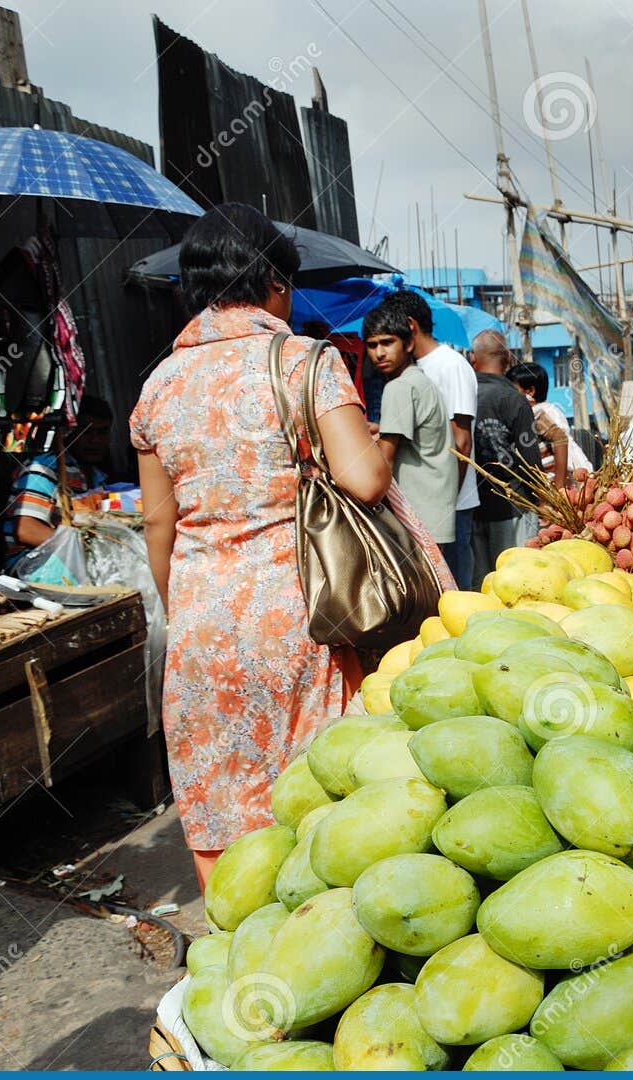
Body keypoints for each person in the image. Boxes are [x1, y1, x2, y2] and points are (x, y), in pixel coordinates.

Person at [132, 205, 407, 887]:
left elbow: (158, 526)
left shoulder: (159, 384)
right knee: (312, 795)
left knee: (222, 796)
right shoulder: (300, 362)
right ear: (276, 285)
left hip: (200, 623)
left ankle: (233, 946)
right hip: (299, 617)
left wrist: (188, 611)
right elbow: (366, 479)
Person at [388, 289, 477, 587]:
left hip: (451, 508)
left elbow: (461, 442)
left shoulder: (450, 365)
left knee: (454, 593)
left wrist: (444, 507)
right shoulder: (414, 370)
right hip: (423, 507)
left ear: (410, 326)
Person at [364, 299, 458, 559]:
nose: (379, 353)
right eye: (372, 345)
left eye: (387, 342)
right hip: (434, 513)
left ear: (407, 343)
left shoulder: (399, 387)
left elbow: (385, 459)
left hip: (417, 516)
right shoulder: (418, 380)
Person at [2, 394, 114, 567]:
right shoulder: (45, 468)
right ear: (69, 433)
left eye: (102, 432)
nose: (95, 440)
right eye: (86, 432)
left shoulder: (98, 478)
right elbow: (26, 529)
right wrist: (85, 550)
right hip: (35, 570)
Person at [466, 330, 540, 584]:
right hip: (513, 507)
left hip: (471, 508)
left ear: (473, 359)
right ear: (508, 358)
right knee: (515, 582)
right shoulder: (515, 400)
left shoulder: (461, 397)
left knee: (481, 586)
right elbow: (532, 463)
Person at [507, 360, 591, 491]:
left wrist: (560, 489)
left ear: (530, 391)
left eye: (513, 390)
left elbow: (564, 444)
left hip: (558, 486)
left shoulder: (541, 413)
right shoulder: (531, 413)